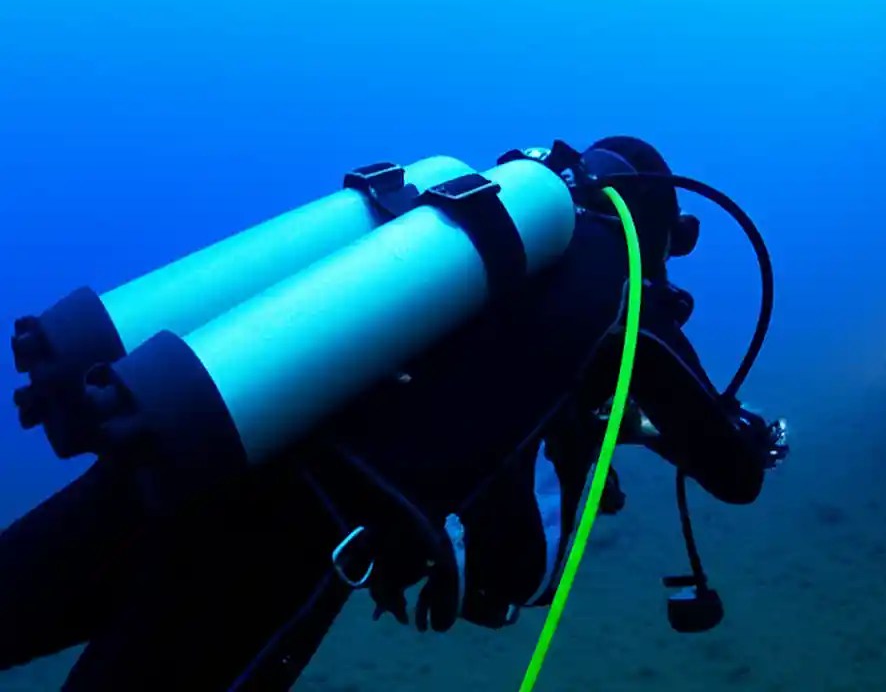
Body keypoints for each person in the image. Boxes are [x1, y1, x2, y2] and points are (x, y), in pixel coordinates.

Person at [0, 135, 788, 690]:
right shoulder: (624, 285)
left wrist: (635, 432)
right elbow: (732, 472)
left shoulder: (459, 215)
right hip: (289, 538)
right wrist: (743, 438)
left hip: (188, 428)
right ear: (659, 221)